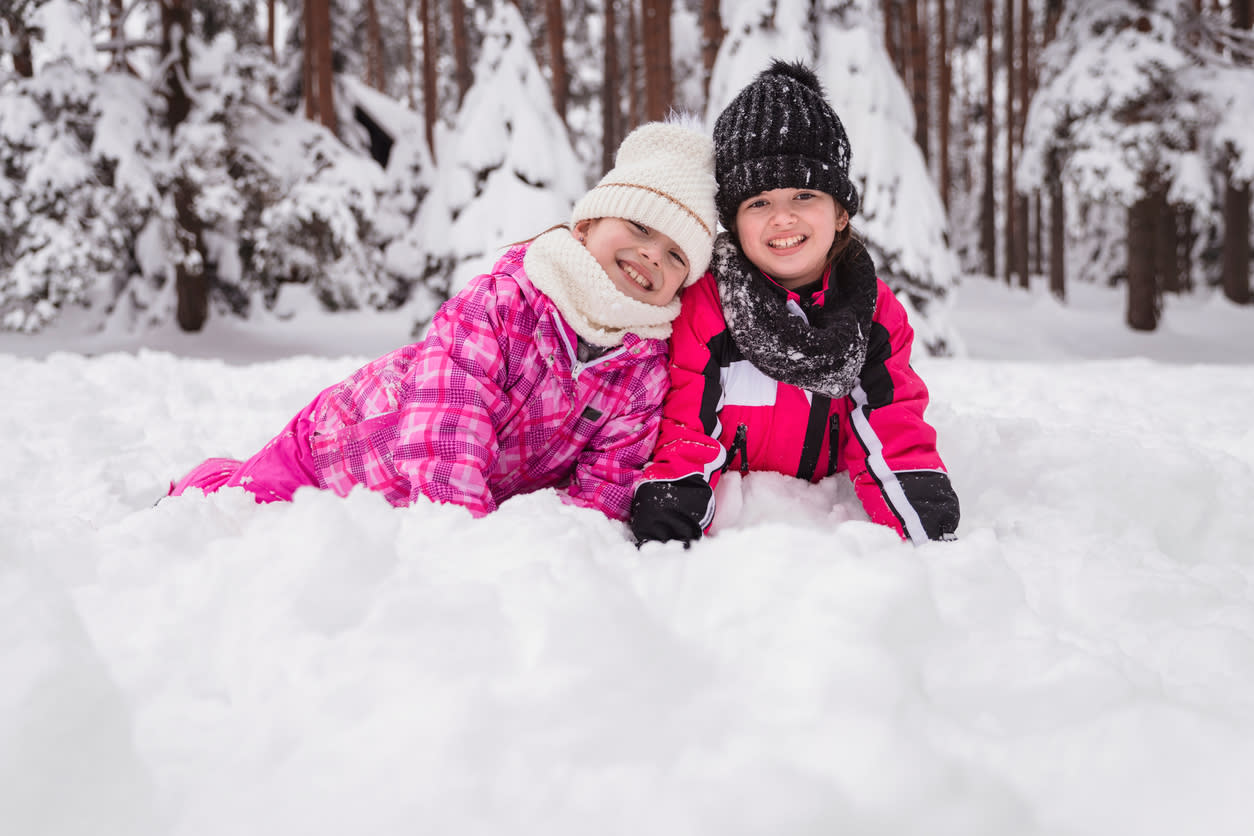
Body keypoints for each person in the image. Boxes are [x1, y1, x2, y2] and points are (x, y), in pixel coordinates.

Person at [168, 119, 718, 522]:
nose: (652, 256)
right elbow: (445, 428)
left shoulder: (641, 370)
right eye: (642, 229)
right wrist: (462, 536)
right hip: (337, 456)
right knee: (235, 517)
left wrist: (563, 547)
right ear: (585, 227)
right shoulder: (505, 304)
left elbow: (609, 481)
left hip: (441, 510)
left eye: (676, 256)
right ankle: (202, 485)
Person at [630, 61, 960, 546]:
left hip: (820, 525)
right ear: (735, 223)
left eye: (804, 195)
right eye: (758, 203)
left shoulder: (871, 313)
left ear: (841, 212)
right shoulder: (708, 304)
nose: (782, 219)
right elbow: (685, 424)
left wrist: (926, 529)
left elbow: (891, 421)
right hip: (738, 533)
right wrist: (670, 519)